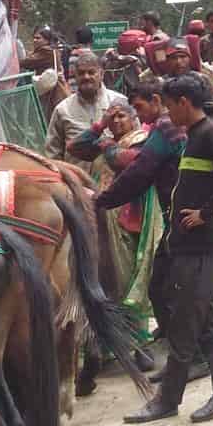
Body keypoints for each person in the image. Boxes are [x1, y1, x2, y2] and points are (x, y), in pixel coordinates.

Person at [100, 72, 213, 424]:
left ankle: (168, 400)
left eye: (168, 104)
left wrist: (207, 212)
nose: (166, 112)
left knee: (184, 322)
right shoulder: (193, 135)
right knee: (210, 319)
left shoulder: (209, 133)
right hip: (183, 241)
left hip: (198, 245)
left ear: (183, 103)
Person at [50, 52, 140, 389]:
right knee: (81, 271)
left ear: (102, 73)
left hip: (119, 201)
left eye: (91, 72)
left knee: (120, 268)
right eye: (80, 74)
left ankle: (129, 339)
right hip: (78, 204)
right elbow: (55, 154)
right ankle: (90, 346)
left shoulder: (118, 102)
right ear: (72, 76)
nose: (86, 78)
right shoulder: (63, 111)